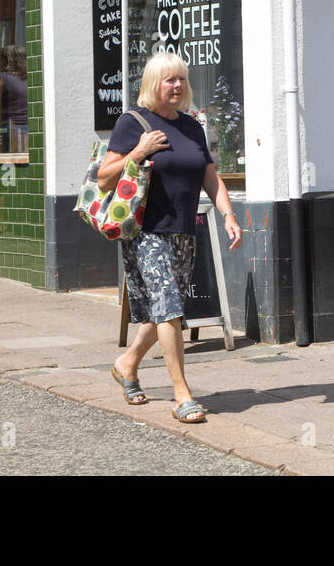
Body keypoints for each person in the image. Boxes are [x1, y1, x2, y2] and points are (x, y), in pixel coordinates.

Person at [101, 52, 242, 424]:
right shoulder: (133, 123)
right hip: (147, 233)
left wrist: (228, 214)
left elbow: (210, 177)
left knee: (166, 312)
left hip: (185, 231)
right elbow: (104, 177)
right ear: (153, 84)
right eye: (169, 80)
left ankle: (126, 364)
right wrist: (139, 151)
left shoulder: (193, 126)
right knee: (169, 310)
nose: (177, 86)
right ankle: (183, 395)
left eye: (181, 79)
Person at [0, 45, 28, 152]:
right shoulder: (28, 78)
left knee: (10, 164)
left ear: (7, 60)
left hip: (10, 129)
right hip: (28, 128)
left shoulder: (2, 77)